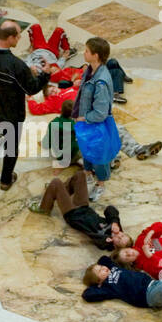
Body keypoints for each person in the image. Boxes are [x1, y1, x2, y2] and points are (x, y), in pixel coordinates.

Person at [0, 20, 50, 190]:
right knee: (10, 148)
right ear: (11, 38)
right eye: (18, 35)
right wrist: (45, 75)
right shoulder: (17, 66)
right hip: (11, 115)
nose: (20, 38)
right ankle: (6, 181)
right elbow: (32, 89)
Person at [30, 169, 121, 250]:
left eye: (119, 239)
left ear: (114, 244)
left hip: (73, 215)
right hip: (84, 207)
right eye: (123, 235)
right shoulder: (116, 227)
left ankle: (44, 208)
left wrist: (107, 240)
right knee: (80, 175)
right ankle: (56, 191)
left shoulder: (104, 240)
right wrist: (114, 221)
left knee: (56, 182)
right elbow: (110, 209)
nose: (120, 235)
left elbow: (99, 242)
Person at [72, 37, 117, 200]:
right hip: (86, 122)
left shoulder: (101, 81)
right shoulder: (90, 70)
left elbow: (101, 112)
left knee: (100, 154)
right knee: (87, 148)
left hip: (94, 123)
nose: (83, 53)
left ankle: (101, 183)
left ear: (96, 55)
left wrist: (84, 118)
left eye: (86, 51)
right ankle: (88, 173)